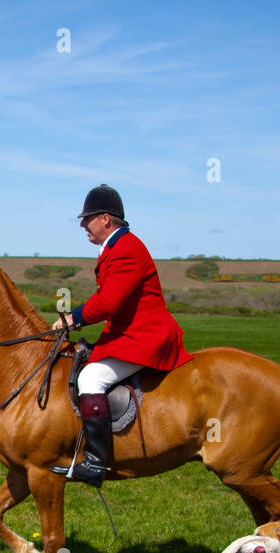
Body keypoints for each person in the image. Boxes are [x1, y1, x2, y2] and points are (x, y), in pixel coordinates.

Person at [50, 184, 193, 485]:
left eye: (86, 218)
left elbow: (109, 302)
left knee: (91, 379)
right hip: (128, 333)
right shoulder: (116, 247)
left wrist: (71, 319)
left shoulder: (126, 249)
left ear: (105, 219)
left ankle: (95, 463)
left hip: (145, 337)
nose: (81, 225)